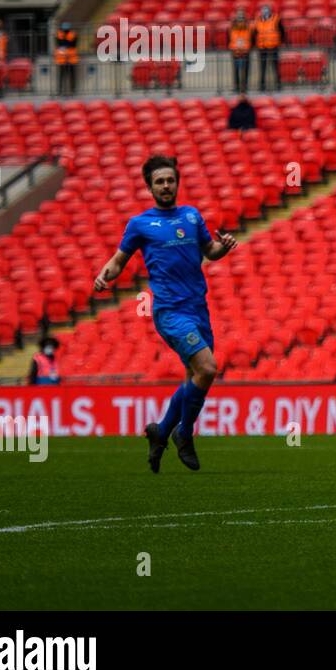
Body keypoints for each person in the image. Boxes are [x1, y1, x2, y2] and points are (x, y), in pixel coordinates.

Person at [93, 155, 238, 473]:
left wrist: (223, 246)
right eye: (159, 181)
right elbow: (119, 260)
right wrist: (105, 276)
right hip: (170, 312)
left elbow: (209, 252)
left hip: (198, 308)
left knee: (194, 377)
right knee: (208, 368)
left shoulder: (191, 215)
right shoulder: (140, 224)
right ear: (149, 187)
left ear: (177, 183)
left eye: (170, 180)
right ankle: (183, 433)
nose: (166, 186)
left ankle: (160, 430)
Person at [253, 3, 284, 91]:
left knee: (275, 67)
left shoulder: (276, 19)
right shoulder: (258, 20)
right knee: (262, 67)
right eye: (263, 10)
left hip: (273, 46)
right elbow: (255, 33)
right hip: (262, 47)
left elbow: (282, 31)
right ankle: (262, 86)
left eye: (266, 10)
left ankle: (278, 85)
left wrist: (279, 42)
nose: (265, 12)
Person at [228, 7, 252, 95]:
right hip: (235, 52)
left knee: (245, 71)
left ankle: (244, 88)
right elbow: (229, 39)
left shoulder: (248, 28)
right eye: (239, 18)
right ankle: (237, 87)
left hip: (245, 52)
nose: (240, 20)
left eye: (242, 18)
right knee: (236, 71)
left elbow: (251, 39)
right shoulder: (232, 28)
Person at [54, 22, 78, 96]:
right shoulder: (59, 34)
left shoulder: (73, 34)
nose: (65, 31)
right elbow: (59, 43)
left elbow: (72, 44)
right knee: (61, 76)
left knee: (72, 75)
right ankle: (60, 91)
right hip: (61, 59)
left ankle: (72, 90)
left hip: (71, 59)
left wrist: (65, 44)